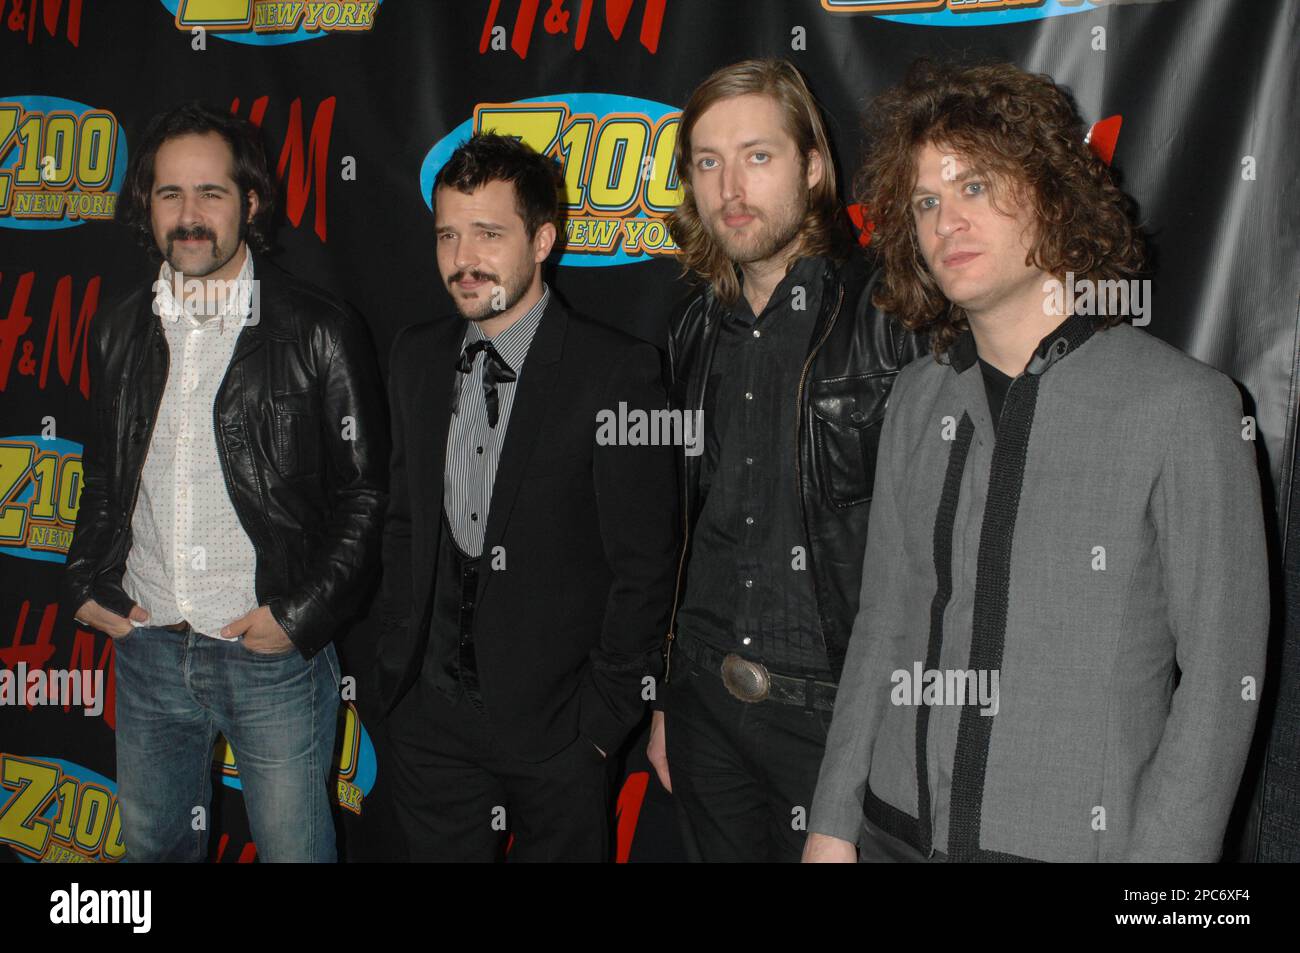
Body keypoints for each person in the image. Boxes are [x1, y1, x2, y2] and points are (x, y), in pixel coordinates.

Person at [805, 61, 1268, 863]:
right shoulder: (917, 398)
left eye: (977, 187)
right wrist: (833, 821)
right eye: (926, 201)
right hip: (889, 832)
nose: (948, 218)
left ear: (1054, 196)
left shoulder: (1185, 406)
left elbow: (1224, 686)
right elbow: (881, 623)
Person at [63, 101, 387, 862]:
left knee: (296, 852)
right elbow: (105, 474)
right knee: (152, 854)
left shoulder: (318, 330)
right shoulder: (117, 329)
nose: (190, 214)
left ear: (250, 202)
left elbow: (370, 496)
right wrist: (82, 580)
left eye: (211, 192)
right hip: (146, 647)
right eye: (169, 193)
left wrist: (301, 616)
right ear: (146, 205)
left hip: (268, 654)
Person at [373, 133, 678, 862]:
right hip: (430, 727)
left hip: (560, 734)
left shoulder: (618, 371)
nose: (462, 257)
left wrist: (600, 726)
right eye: (447, 233)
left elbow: (647, 566)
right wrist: (398, 666)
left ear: (543, 239)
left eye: (487, 233)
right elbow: (405, 524)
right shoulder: (416, 355)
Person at [650, 59, 924, 862]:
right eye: (708, 162)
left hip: (835, 711)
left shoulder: (890, 317)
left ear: (811, 167)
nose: (731, 185)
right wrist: (669, 699)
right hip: (704, 699)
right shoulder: (689, 332)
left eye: (757, 155)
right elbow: (681, 535)